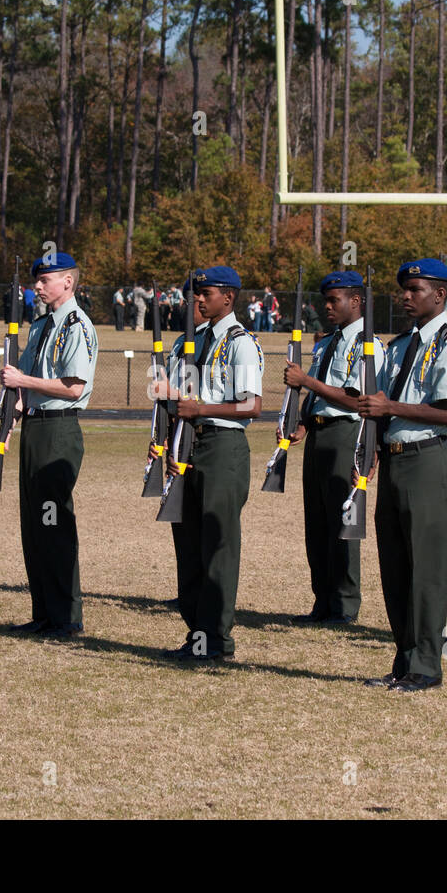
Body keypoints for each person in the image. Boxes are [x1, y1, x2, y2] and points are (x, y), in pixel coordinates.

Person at [356, 259, 447, 691]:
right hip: (393, 459)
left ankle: (426, 666)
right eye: (403, 289)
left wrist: (389, 408)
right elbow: (378, 402)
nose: (405, 297)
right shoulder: (400, 343)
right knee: (395, 565)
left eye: (415, 289)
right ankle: (404, 658)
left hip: (428, 459)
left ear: (440, 294)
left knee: (425, 568)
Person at [155, 266, 263, 661]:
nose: (197, 299)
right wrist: (164, 442)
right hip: (187, 447)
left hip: (222, 446)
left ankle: (215, 640)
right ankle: (196, 634)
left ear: (228, 298)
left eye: (206, 293)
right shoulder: (188, 342)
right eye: (195, 293)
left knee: (217, 544)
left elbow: (252, 405)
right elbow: (168, 398)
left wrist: (199, 407)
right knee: (187, 544)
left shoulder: (240, 343)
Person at [0, 251, 98, 638]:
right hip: (34, 429)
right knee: (34, 525)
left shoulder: (77, 325)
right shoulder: (41, 326)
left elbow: (73, 387)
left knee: (54, 523)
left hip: (58, 430)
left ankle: (67, 616)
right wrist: (7, 425)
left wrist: (23, 382)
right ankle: (44, 612)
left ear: (68, 282)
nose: (37, 286)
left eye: (45, 280)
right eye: (36, 280)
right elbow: (23, 387)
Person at [280, 270, 382, 625]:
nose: (326, 307)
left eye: (333, 300)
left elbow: (358, 400)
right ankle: (321, 600)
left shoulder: (368, 346)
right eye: (325, 300)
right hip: (321, 436)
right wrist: (305, 423)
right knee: (317, 523)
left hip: (346, 436)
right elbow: (318, 393)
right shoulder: (326, 343)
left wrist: (305, 380)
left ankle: (345, 603)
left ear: (355, 301)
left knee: (344, 522)